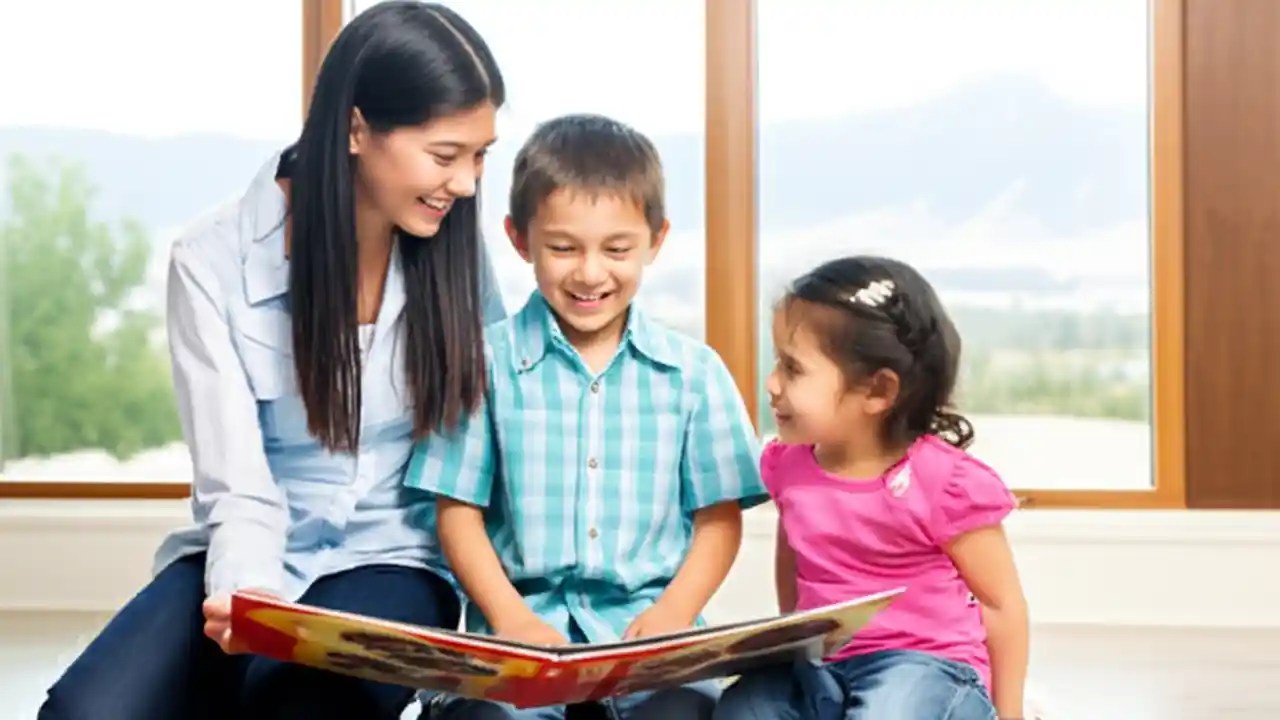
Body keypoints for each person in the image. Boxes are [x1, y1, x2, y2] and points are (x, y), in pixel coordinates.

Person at [38, 3, 507, 719]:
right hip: (249, 549)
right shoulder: (213, 259)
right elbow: (238, 484)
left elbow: (502, 428)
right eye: (446, 156)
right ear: (357, 129)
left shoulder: (456, 253)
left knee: (295, 706)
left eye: (480, 156)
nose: (468, 183)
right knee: (87, 712)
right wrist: (251, 599)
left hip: (396, 557)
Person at [407, 114, 769, 720]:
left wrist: (673, 615)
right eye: (563, 247)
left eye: (617, 249)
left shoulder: (694, 373)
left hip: (651, 646)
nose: (591, 273)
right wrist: (512, 619)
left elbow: (718, 519)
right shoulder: (482, 364)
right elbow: (457, 512)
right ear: (520, 240)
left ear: (656, 240)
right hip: (519, 643)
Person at [712, 257, 1029, 720]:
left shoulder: (944, 483)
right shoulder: (789, 465)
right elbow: (795, 553)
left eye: (793, 368)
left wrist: (1011, 712)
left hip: (928, 667)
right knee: (745, 707)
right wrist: (796, 645)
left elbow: (1002, 604)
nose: (771, 383)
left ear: (877, 391)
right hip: (827, 666)